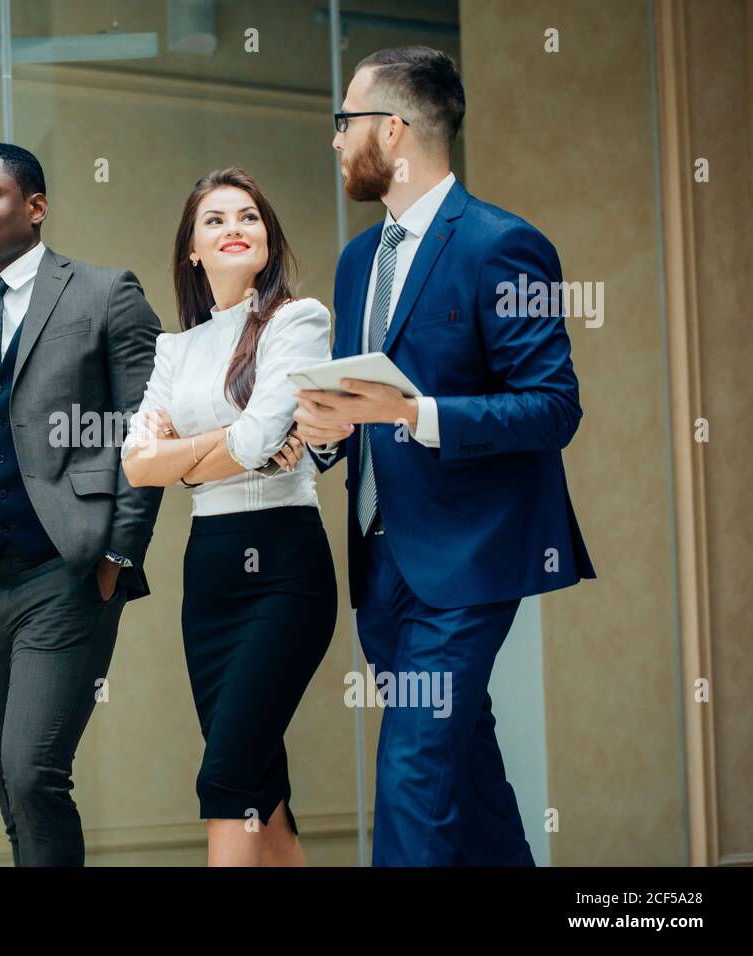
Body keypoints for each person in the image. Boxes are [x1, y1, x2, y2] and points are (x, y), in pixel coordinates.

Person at [293, 46, 595, 866]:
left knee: (413, 775)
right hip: (381, 566)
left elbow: (553, 406)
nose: (335, 141)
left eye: (344, 122)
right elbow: (364, 410)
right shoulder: (360, 260)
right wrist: (331, 430)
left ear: (392, 130)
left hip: (467, 560)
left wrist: (414, 411)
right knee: (467, 774)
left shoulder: (504, 245)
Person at [0, 143, 164, 866]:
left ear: (36, 207)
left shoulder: (105, 295)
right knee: (8, 791)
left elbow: (146, 437)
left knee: (33, 772)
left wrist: (116, 554)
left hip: (67, 574)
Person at [122, 167, 338, 866]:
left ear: (268, 239)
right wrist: (233, 446)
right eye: (215, 220)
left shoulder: (296, 322)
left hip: (284, 565)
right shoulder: (174, 349)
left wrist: (179, 456)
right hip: (210, 571)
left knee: (226, 776)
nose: (234, 228)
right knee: (261, 788)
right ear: (192, 248)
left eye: (248, 216)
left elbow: (254, 441)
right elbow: (134, 464)